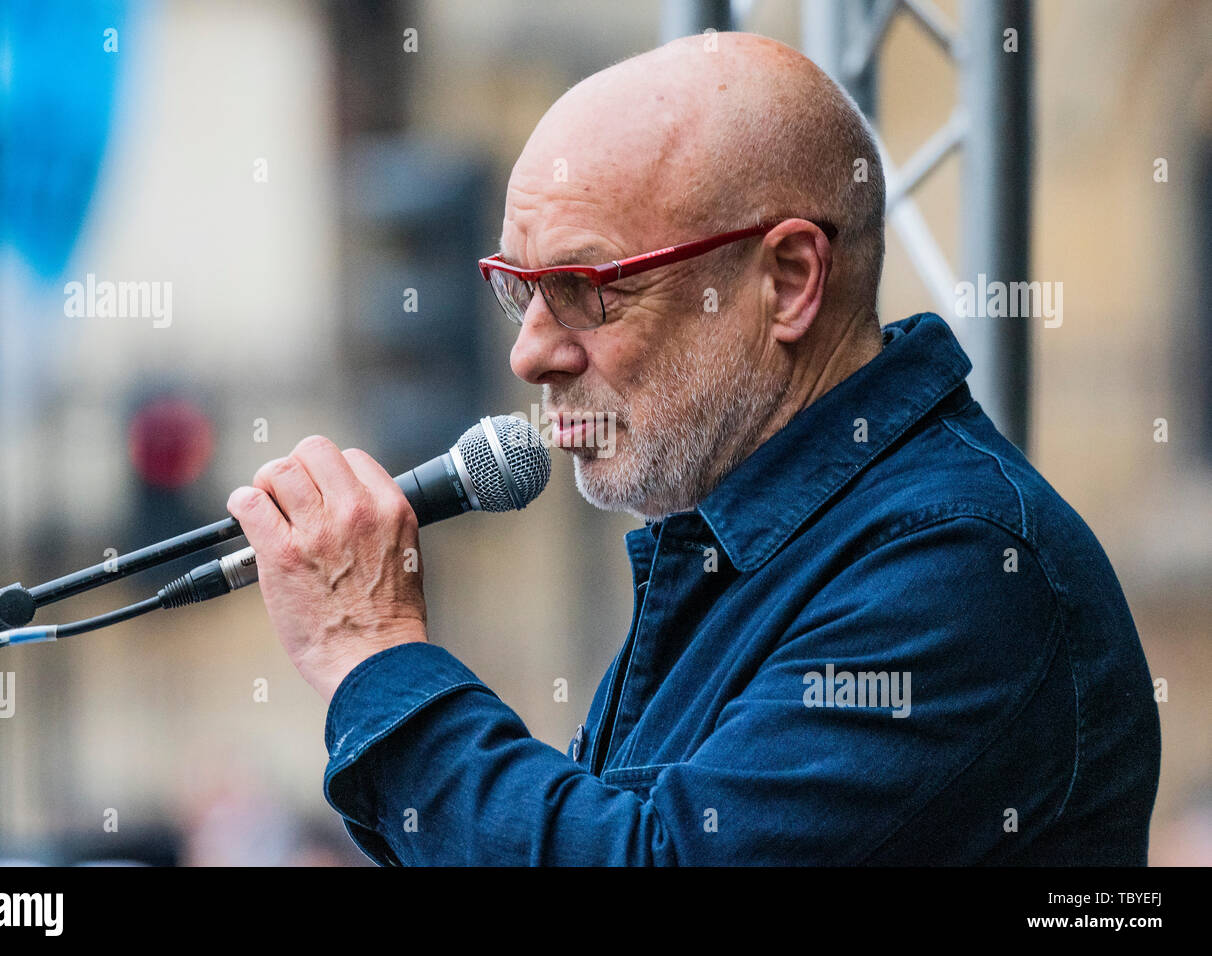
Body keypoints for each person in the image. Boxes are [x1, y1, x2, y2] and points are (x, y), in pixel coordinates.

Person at [227, 32, 1160, 865]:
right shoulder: (742, 544)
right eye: (519, 289)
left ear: (790, 281)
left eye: (586, 287)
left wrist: (374, 654)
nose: (530, 353)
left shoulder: (961, 566)